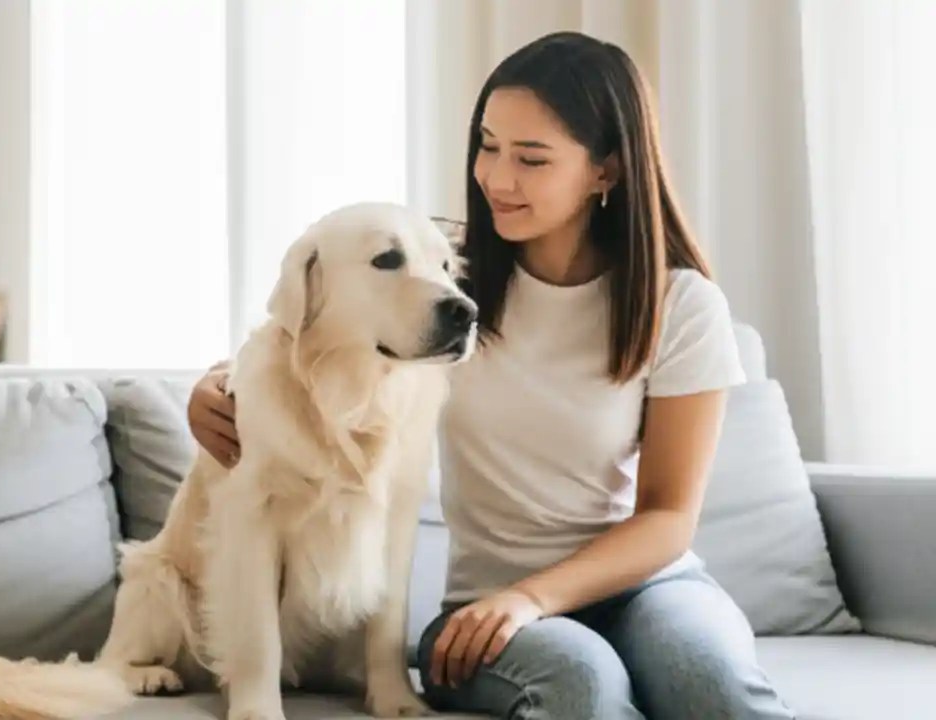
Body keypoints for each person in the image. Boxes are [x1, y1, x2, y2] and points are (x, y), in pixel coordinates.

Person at [186, 31, 795, 720]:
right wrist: (215, 385)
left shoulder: (678, 304)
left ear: (608, 171)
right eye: (488, 145)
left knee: (709, 679)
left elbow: (666, 518)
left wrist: (535, 597)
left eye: (532, 158)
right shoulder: (442, 279)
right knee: (581, 687)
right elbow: (308, 332)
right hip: (482, 609)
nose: (497, 178)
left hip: (648, 586)